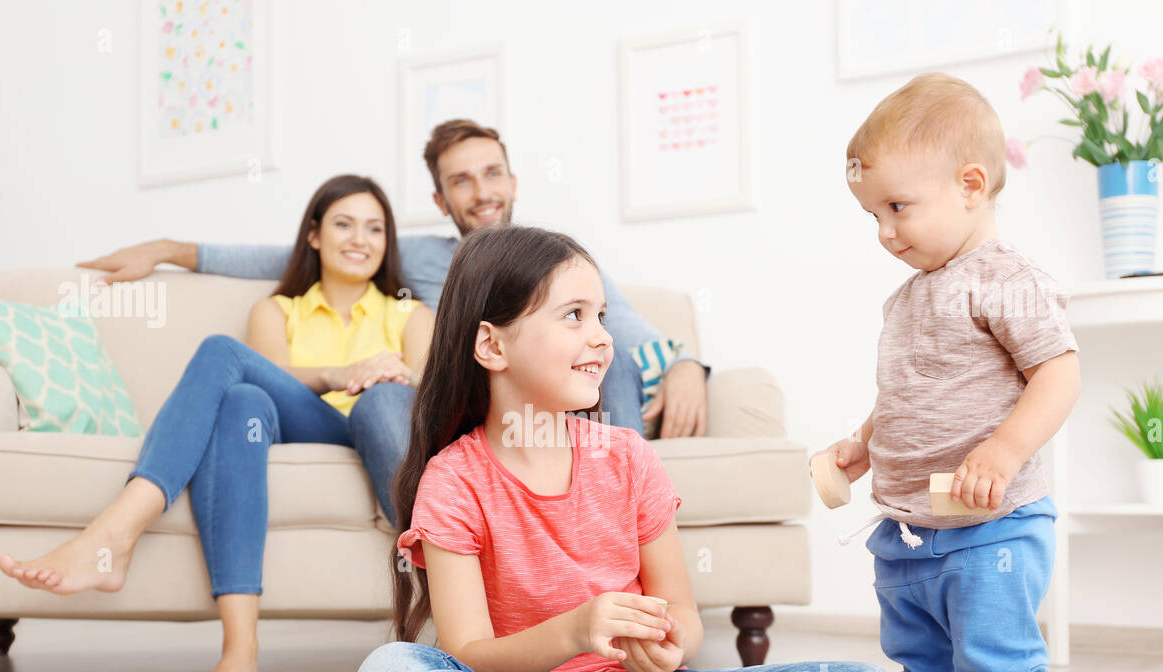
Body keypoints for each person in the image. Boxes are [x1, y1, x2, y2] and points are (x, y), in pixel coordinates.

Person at [350, 225, 903, 672]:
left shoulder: (628, 457)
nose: (602, 339)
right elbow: (471, 659)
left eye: (601, 317)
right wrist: (573, 631)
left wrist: (670, 647)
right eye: (574, 316)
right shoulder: (453, 480)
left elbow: (683, 616)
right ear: (492, 345)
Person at [0, 175, 434, 672]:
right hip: (309, 422)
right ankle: (238, 652)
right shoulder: (276, 310)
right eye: (344, 224)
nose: (360, 238)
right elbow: (271, 377)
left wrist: (383, 376)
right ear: (315, 236)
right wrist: (341, 371)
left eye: (375, 228)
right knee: (242, 402)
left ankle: (116, 532)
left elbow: (424, 394)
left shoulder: (411, 314)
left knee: (365, 398)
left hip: (377, 431)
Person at [76, 119, 710, 439]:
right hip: (479, 408)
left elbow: (619, 328)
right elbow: (293, 256)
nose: (481, 192)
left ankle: (625, 519)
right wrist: (170, 249)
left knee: (618, 364)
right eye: (461, 181)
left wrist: (686, 366)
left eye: (492, 174)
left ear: (513, 183)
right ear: (441, 200)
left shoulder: (564, 263)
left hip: (560, 406)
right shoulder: (418, 259)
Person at [820, 74, 1081, 672]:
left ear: (971, 185)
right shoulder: (905, 299)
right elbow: (909, 393)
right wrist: (863, 444)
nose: (885, 231)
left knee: (999, 656)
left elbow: (1058, 374)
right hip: (908, 527)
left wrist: (1002, 450)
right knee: (919, 656)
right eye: (873, 214)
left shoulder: (1009, 280)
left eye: (898, 207)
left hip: (991, 525)